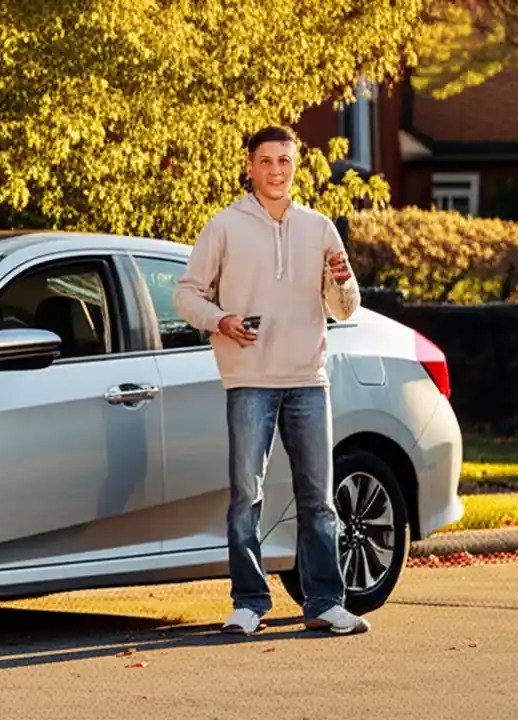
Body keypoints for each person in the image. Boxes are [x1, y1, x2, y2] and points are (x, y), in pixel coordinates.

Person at [173, 125, 369, 636]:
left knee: (318, 500)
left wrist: (342, 280)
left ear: (295, 166)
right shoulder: (224, 226)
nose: (276, 170)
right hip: (249, 379)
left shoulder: (319, 227)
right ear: (250, 167)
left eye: (284, 161)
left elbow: (344, 308)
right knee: (246, 497)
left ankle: (325, 603)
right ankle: (248, 603)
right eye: (266, 161)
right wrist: (221, 320)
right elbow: (187, 294)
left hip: (308, 378)